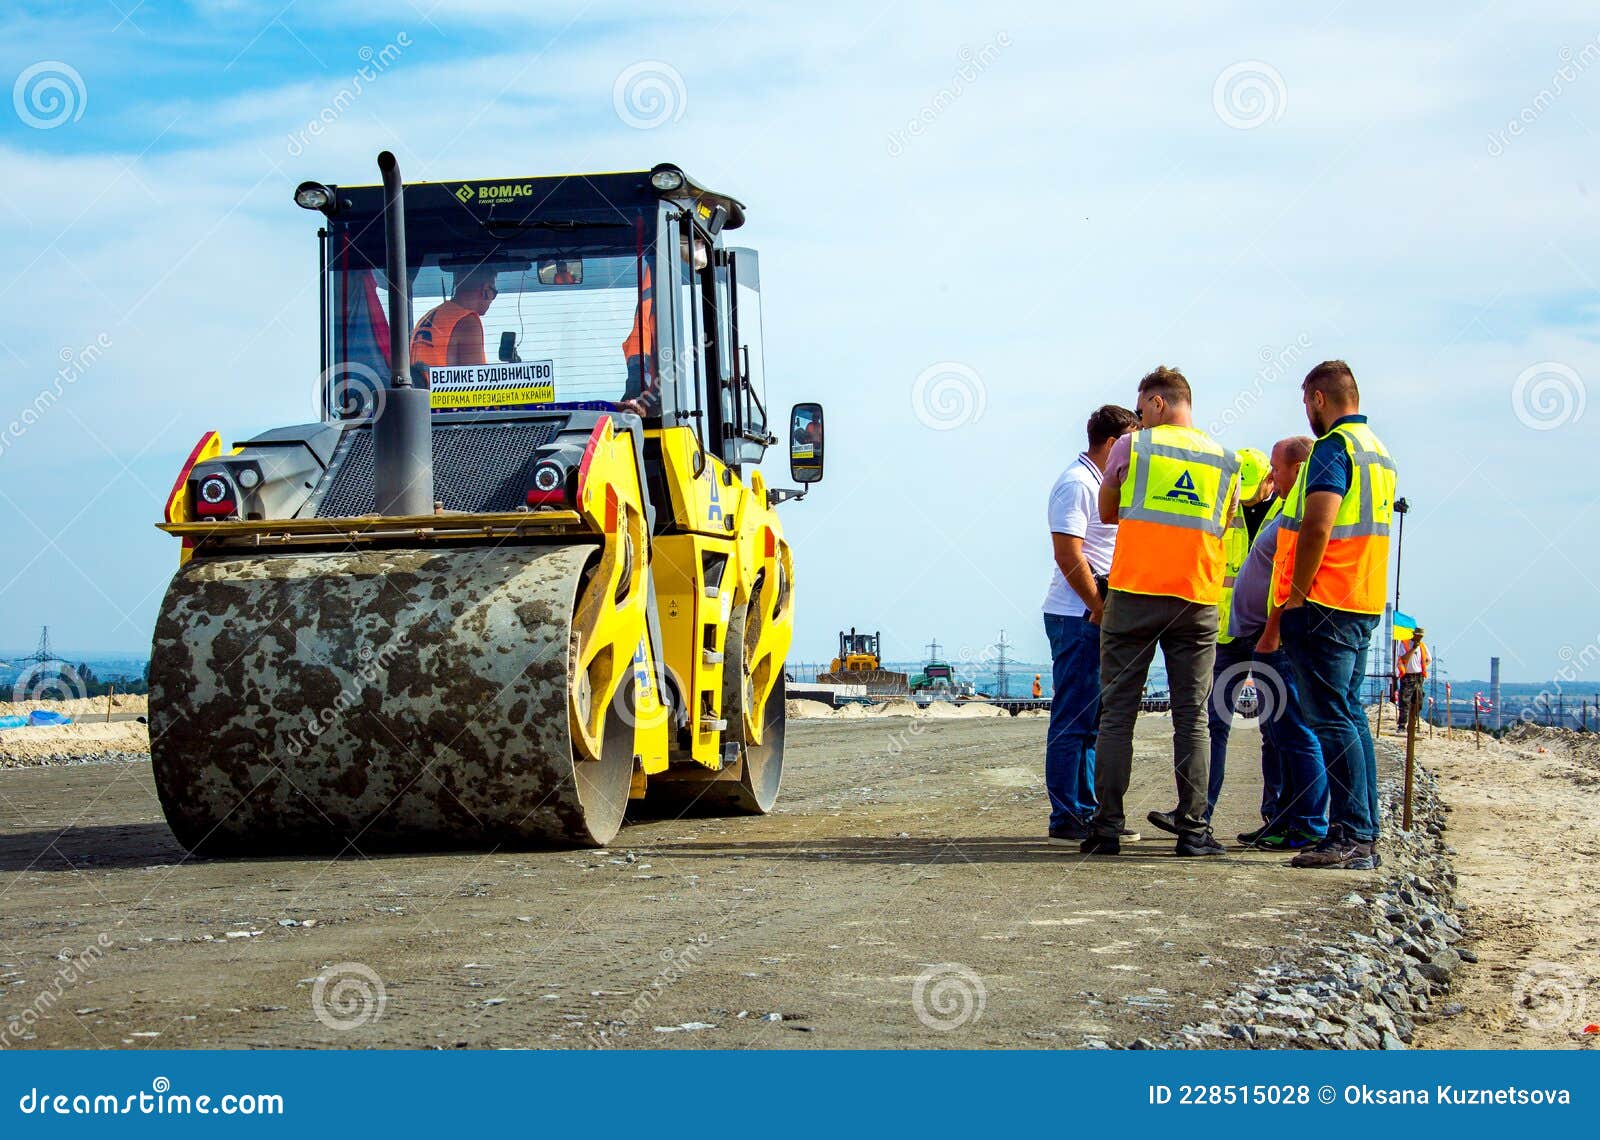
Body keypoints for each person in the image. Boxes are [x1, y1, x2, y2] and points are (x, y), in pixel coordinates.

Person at [1083, 367, 1240, 857]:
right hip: (1195, 597)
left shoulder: (1134, 448)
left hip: (1135, 593)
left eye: (1141, 410)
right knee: (1192, 718)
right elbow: (1226, 522)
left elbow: (1108, 512)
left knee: (1117, 716)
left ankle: (1106, 828)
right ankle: (1193, 831)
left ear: (1155, 403)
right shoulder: (1227, 460)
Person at [1258, 360, 1397, 871]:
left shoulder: (1333, 449)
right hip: (1361, 600)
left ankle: (1352, 836)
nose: (1308, 415)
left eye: (1306, 404)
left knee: (1331, 718)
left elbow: (1318, 525)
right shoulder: (1379, 452)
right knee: (1349, 715)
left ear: (1319, 399)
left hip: (1326, 602)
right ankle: (1358, 829)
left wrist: (1295, 596)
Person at [1145, 444, 1270, 836]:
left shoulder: (1280, 513)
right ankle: (1197, 813)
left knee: (1276, 728)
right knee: (1212, 725)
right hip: (1222, 632)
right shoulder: (1223, 506)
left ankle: (1280, 816)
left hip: (1265, 631)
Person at [1224, 436, 1328, 849]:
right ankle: (1285, 816)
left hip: (1278, 638)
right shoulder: (1286, 507)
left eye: (1277, 468)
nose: (1271, 475)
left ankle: (1308, 823)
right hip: (1262, 635)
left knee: (1297, 732)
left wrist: (1273, 630)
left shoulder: (1300, 510)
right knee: (1278, 733)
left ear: (1299, 469)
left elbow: (1290, 577)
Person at [1042, 403, 1139, 844]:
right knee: (1074, 718)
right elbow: (1068, 553)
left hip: (1094, 612)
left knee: (1093, 720)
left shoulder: (1102, 482)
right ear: (1114, 443)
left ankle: (1086, 808)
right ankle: (1068, 814)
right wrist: (1097, 606)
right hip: (1078, 613)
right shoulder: (1077, 484)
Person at [410, 268, 497, 381]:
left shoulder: (429, 317)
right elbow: (477, 386)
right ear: (485, 290)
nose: (492, 299)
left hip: (421, 397)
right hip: (443, 397)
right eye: (494, 292)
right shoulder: (467, 322)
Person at [1397, 629, 1430, 726]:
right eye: (1418, 636)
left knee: (1418, 701)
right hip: (1408, 676)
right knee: (1405, 701)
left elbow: (1428, 659)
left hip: (1419, 676)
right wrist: (1413, 649)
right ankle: (1402, 724)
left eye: (1421, 636)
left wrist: (1420, 666)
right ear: (1414, 635)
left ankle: (1413, 722)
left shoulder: (1422, 646)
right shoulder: (1405, 644)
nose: (1419, 638)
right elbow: (1403, 659)